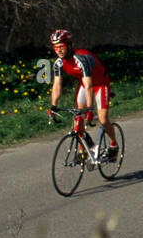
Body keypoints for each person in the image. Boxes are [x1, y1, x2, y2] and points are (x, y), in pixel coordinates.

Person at [47, 28, 117, 160]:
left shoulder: (81, 59)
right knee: (78, 117)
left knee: (102, 119)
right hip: (84, 84)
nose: (58, 50)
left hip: (100, 84)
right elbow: (56, 85)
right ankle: (83, 151)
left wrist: (90, 109)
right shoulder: (58, 63)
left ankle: (113, 145)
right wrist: (53, 106)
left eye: (61, 46)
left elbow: (90, 86)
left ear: (69, 45)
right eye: (55, 48)